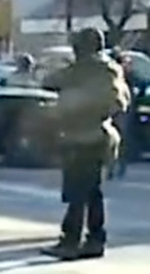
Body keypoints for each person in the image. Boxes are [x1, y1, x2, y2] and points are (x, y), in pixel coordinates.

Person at [42, 27, 128, 260]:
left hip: (81, 135)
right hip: (101, 136)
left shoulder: (83, 69)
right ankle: (95, 239)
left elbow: (49, 81)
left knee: (77, 192)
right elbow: (121, 102)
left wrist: (75, 105)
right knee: (92, 192)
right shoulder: (111, 70)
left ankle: (71, 241)